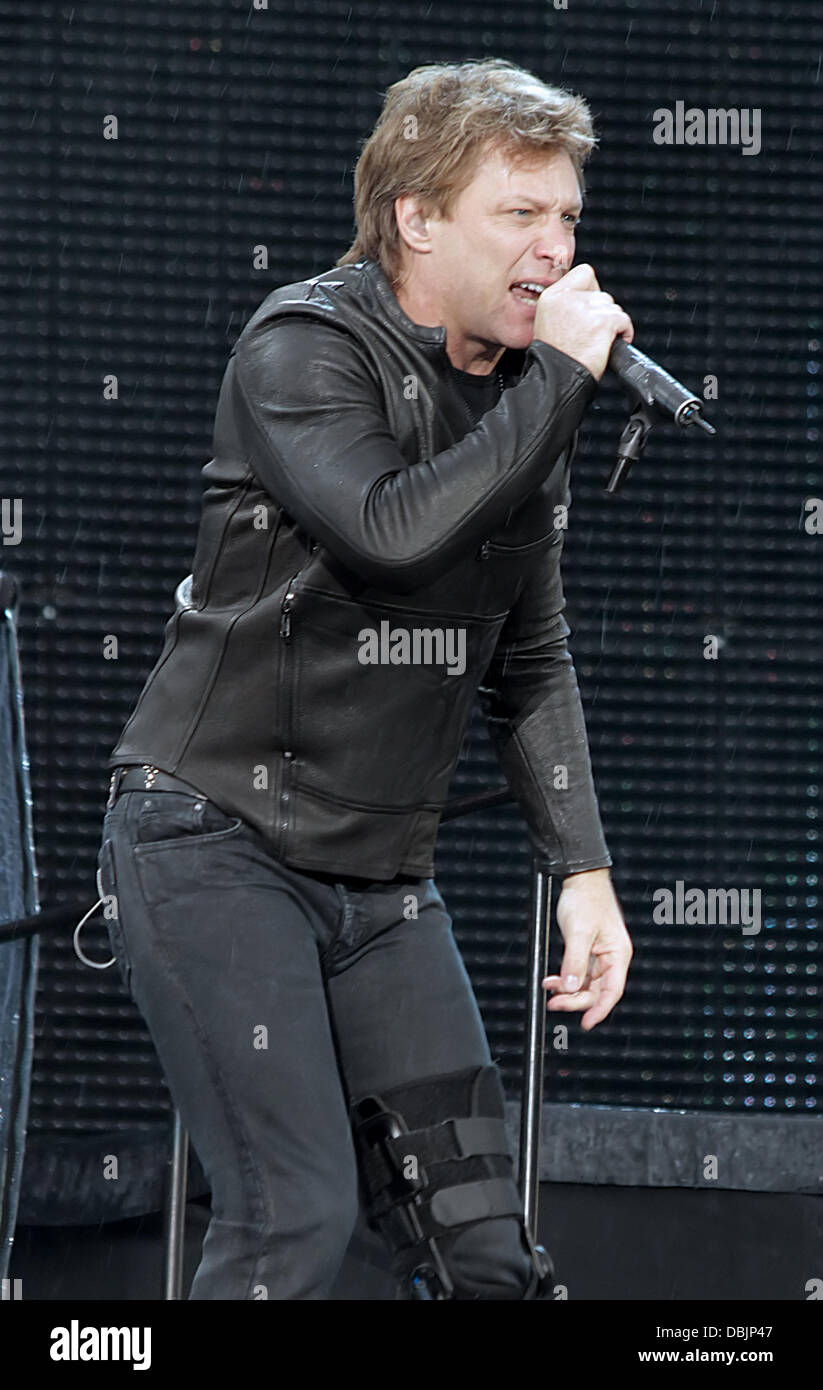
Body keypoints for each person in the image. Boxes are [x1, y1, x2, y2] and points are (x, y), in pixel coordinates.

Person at [96, 57, 634, 1300]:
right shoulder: (302, 346)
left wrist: (587, 877)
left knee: (486, 1250)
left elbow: (532, 654)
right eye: (521, 213)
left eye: (566, 218)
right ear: (417, 219)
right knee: (295, 1216)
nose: (554, 248)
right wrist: (557, 383)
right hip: (211, 839)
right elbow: (392, 528)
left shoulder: (517, 399)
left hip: (382, 881)